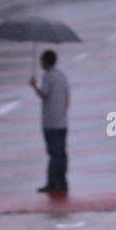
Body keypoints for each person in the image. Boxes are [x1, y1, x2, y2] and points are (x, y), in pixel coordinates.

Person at [30, 49, 69, 194]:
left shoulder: (48, 76)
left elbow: (44, 94)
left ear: (46, 61)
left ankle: (52, 183)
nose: (40, 63)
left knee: (53, 153)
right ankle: (62, 181)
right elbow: (67, 98)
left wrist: (34, 86)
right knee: (62, 153)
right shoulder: (62, 76)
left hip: (51, 122)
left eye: (41, 60)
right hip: (62, 121)